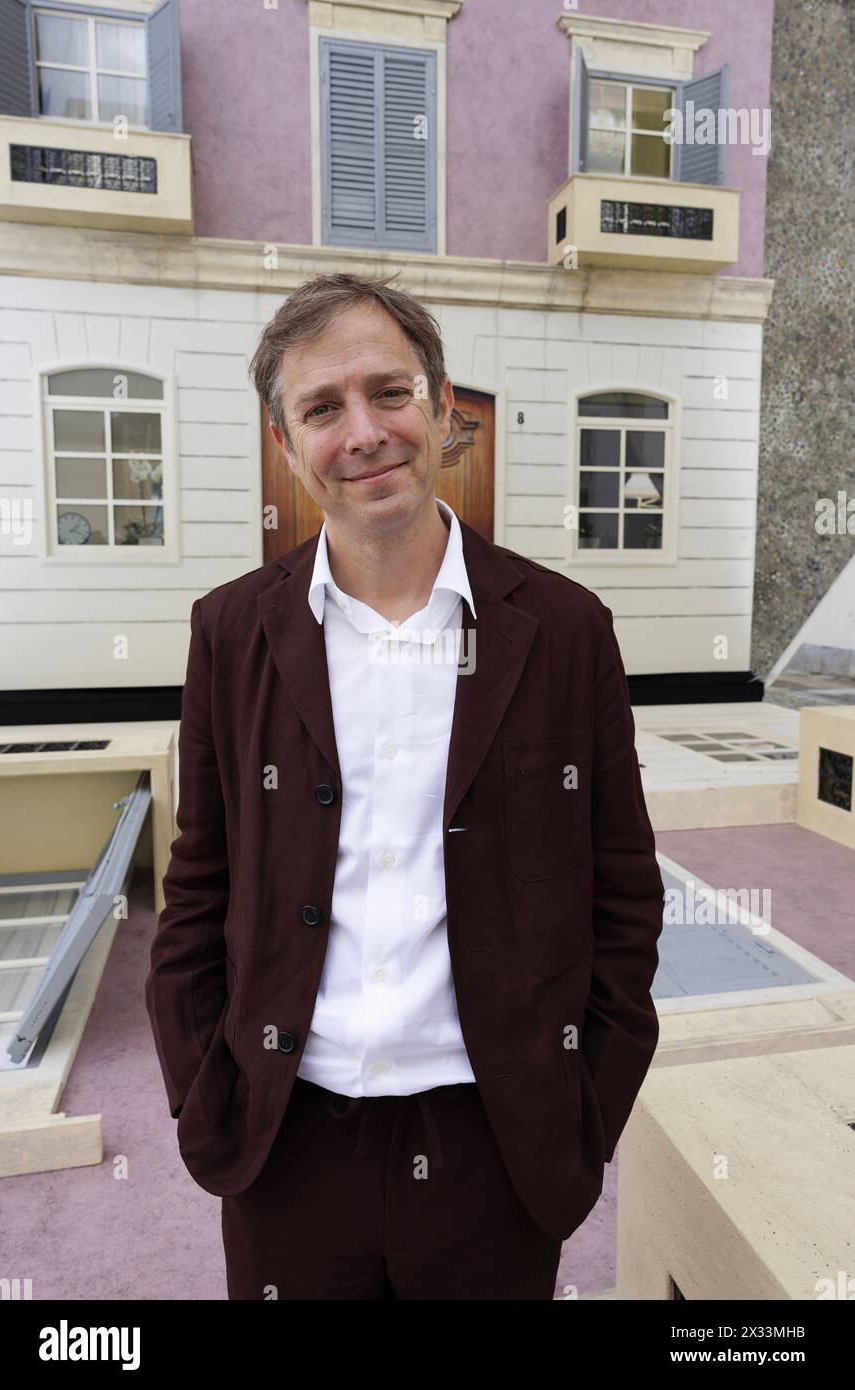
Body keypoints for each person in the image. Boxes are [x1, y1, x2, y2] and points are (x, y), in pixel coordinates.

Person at [145, 271, 665, 1300]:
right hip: (287, 1142)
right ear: (285, 444)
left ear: (439, 405)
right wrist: (207, 1094)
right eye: (321, 408)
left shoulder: (563, 630)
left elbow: (622, 893)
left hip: (492, 1142)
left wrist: (581, 1113)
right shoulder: (231, 631)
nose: (364, 432)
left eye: (388, 391)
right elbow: (198, 886)